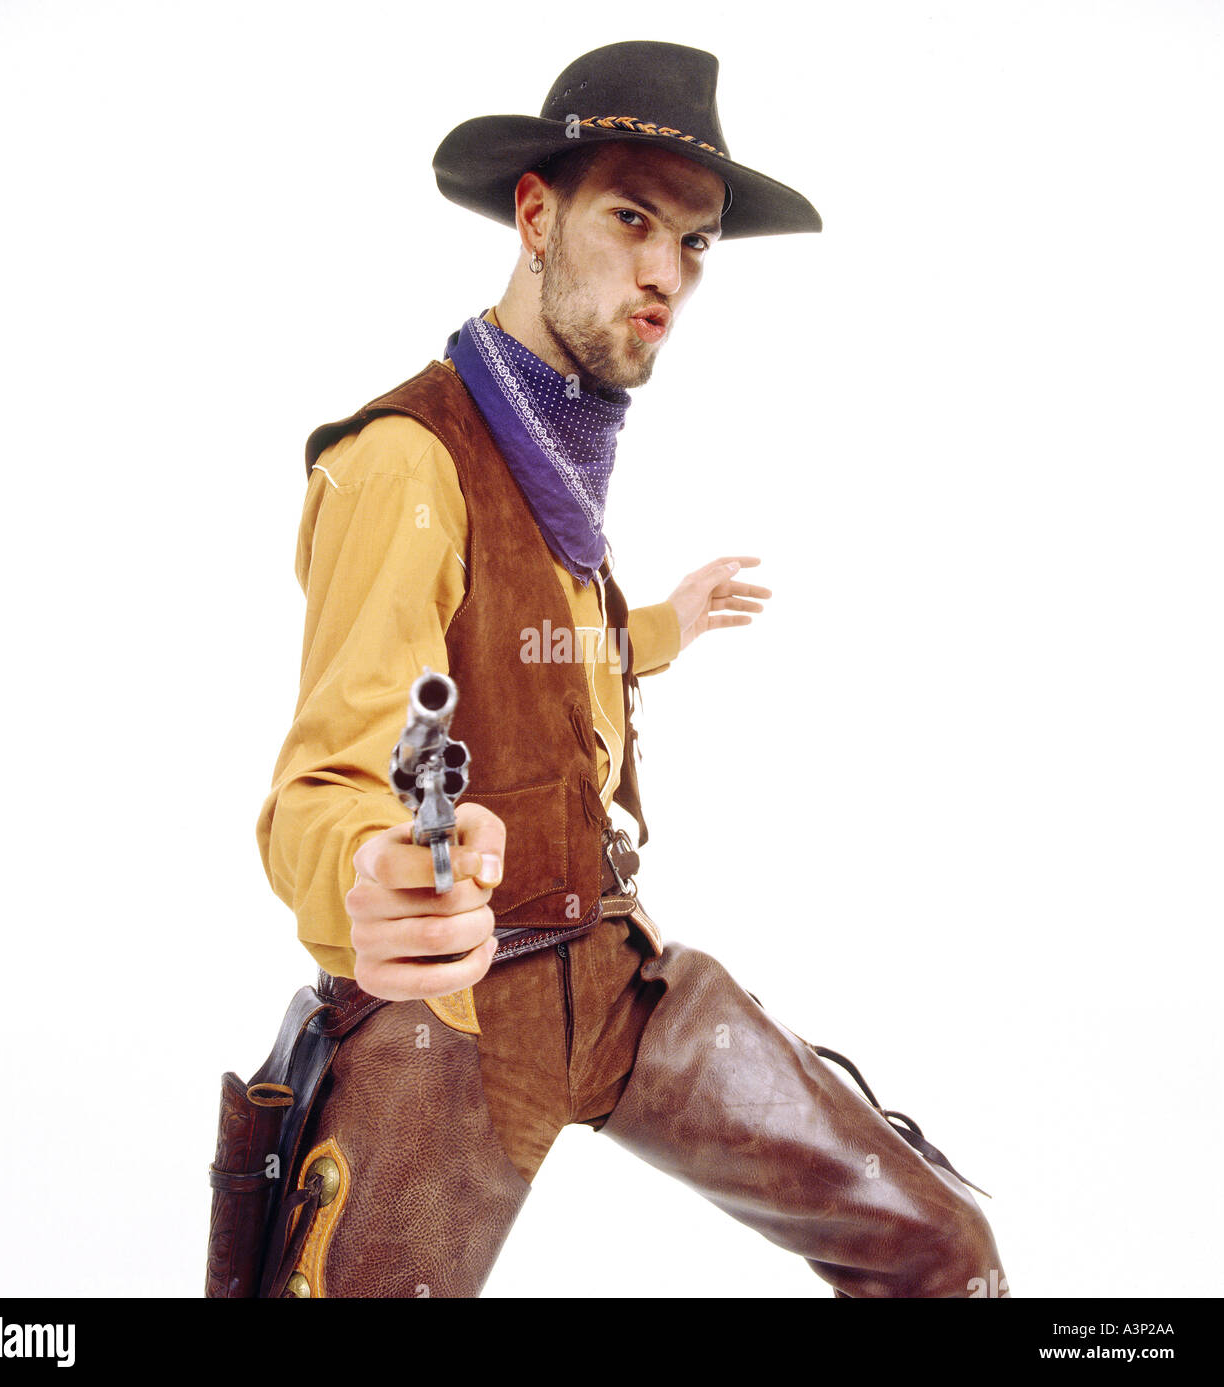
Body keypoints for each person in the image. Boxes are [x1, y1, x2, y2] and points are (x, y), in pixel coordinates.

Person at [251, 40, 1008, 1298]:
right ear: (537, 214)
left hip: (610, 972)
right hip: (458, 1015)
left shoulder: (552, 453)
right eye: (631, 219)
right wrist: (367, 874)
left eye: (696, 243)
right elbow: (322, 786)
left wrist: (664, 621)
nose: (666, 275)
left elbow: (550, 647)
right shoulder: (405, 463)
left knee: (943, 1251)